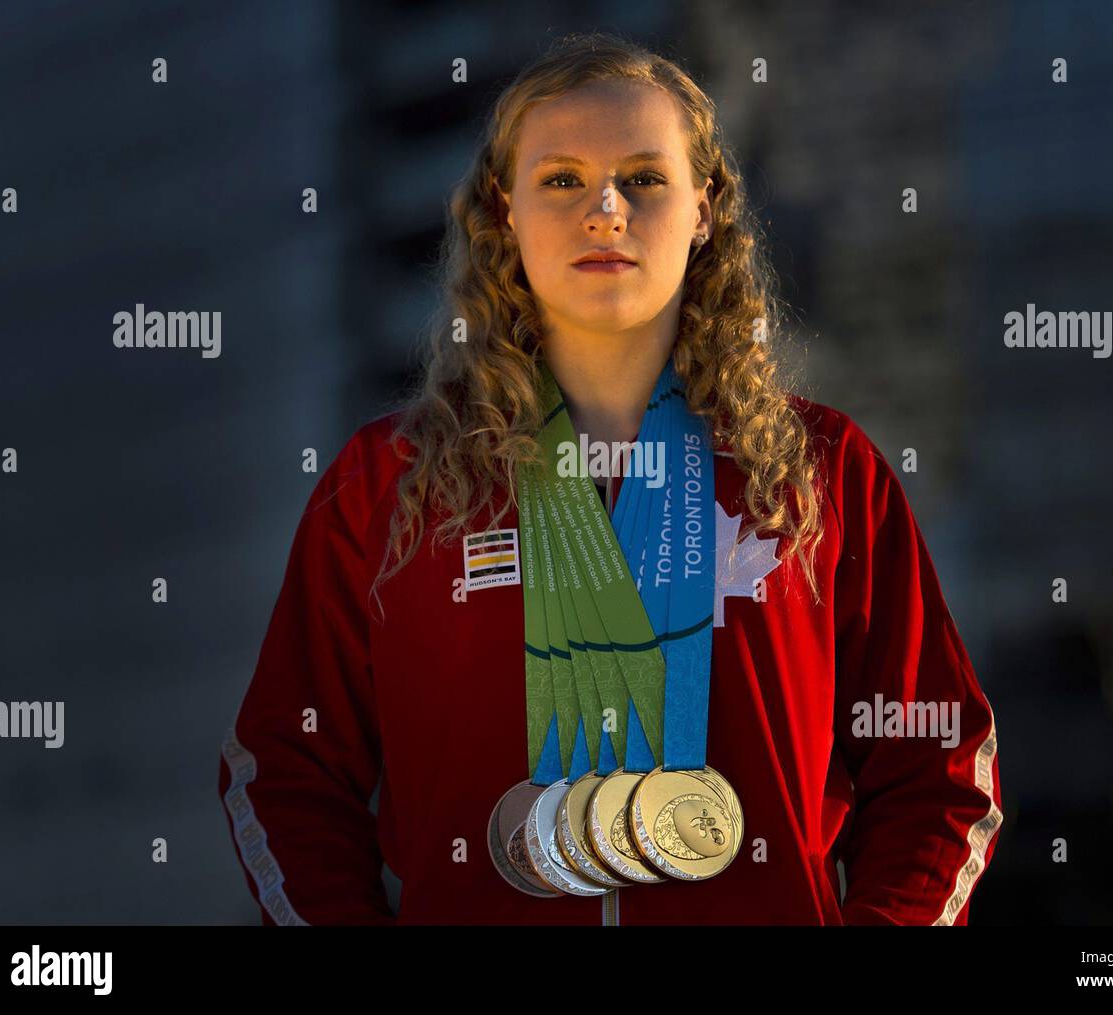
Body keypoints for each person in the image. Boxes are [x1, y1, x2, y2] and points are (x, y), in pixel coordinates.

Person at [217, 31, 1002, 926]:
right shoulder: (388, 485)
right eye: (560, 180)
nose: (605, 210)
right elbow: (282, 769)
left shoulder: (819, 471)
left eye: (644, 177)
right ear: (502, 212)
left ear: (704, 210)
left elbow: (940, 765)